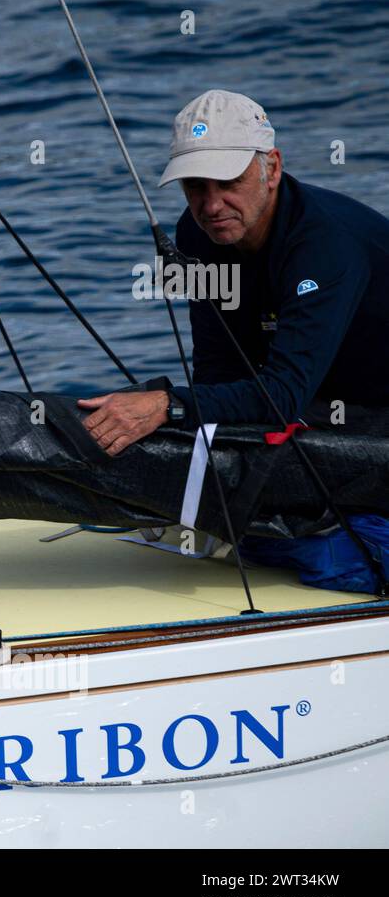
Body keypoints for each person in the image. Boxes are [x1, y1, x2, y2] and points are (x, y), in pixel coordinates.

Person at [78, 89, 389, 591]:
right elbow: (220, 370)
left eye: (228, 182)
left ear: (272, 166)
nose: (211, 204)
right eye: (194, 186)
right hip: (325, 400)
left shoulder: (325, 245)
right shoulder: (196, 236)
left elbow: (280, 396)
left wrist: (167, 406)